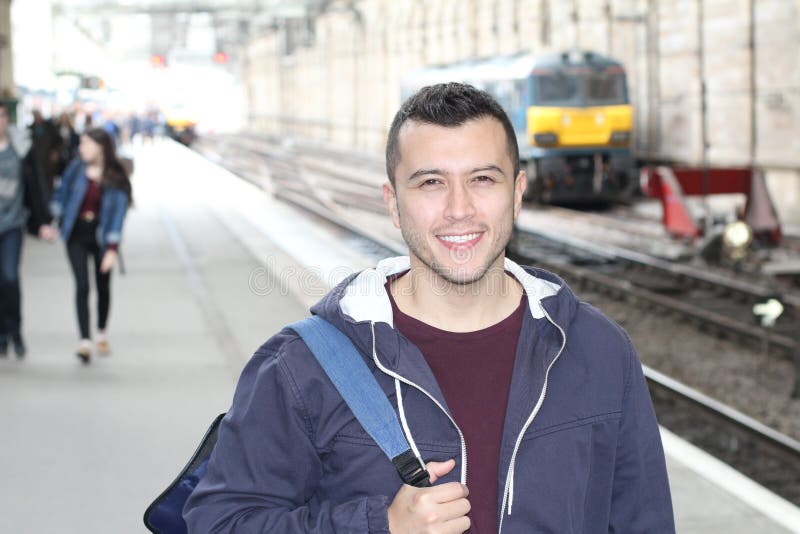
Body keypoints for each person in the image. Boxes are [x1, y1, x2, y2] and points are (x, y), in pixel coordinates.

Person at [183, 83, 674, 532]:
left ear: (518, 194)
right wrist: (379, 526)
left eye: (483, 179)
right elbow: (219, 523)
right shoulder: (302, 366)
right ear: (393, 203)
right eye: (430, 183)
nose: (459, 208)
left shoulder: (597, 349)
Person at [45, 128, 131, 364]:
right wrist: (53, 222)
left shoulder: (116, 176)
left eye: (86, 144)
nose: (81, 148)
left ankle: (101, 331)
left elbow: (118, 215)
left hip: (101, 237)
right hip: (76, 234)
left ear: (100, 146)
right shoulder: (76, 168)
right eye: (81, 143)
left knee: (102, 285)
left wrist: (112, 249)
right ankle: (84, 340)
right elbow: (61, 195)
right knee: (82, 285)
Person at [0, 102, 52, 358]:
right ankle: (1, 334)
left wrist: (43, 221)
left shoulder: (21, 149)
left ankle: (15, 330)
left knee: (9, 276)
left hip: (12, 224)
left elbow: (36, 186)